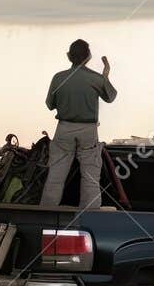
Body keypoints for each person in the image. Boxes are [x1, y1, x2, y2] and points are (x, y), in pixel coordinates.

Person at [42, 39, 117, 210]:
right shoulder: (95, 78)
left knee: (55, 177)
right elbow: (110, 97)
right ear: (88, 57)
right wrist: (105, 76)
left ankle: (46, 215)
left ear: (69, 56)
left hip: (64, 129)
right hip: (88, 131)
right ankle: (90, 218)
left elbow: (50, 105)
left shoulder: (58, 78)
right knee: (90, 178)